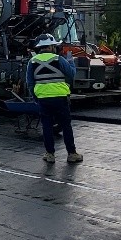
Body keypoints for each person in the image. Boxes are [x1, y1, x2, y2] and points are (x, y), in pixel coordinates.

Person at [27, 34, 81, 164]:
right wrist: (71, 61)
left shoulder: (32, 62)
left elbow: (30, 83)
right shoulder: (59, 59)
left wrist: (36, 98)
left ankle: (50, 154)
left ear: (39, 47)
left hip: (43, 98)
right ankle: (72, 154)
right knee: (66, 125)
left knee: (47, 126)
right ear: (51, 46)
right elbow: (72, 74)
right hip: (60, 98)